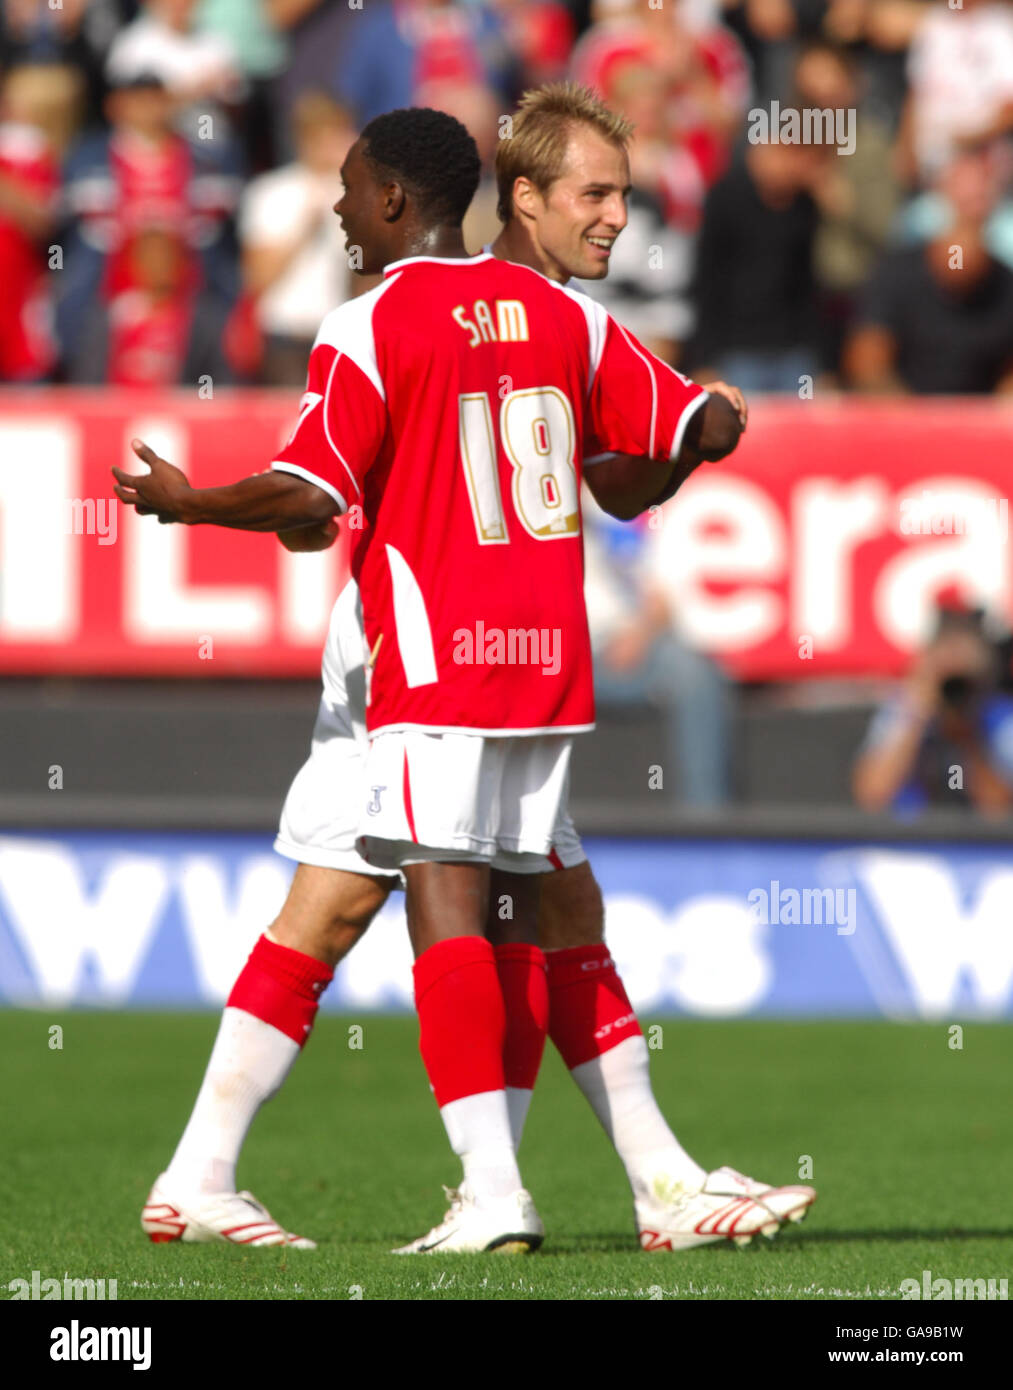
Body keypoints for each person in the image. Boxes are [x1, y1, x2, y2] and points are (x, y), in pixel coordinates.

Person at [116, 96, 813, 1254]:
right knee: (498, 896)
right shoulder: (564, 319)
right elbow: (647, 457)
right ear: (517, 196)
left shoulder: (369, 320)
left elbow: (312, 495)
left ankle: (223, 1177)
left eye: (348, 188)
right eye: (598, 194)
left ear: (392, 198)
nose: (339, 204)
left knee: (362, 902)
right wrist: (702, 435)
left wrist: (193, 502)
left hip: (424, 655)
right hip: (484, 660)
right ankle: (589, 1186)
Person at [853, 600, 1013, 816]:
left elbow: (999, 810)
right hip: (912, 837)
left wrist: (968, 739)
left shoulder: (998, 717)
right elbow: (872, 796)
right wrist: (916, 718)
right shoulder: (905, 707)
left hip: (976, 843)